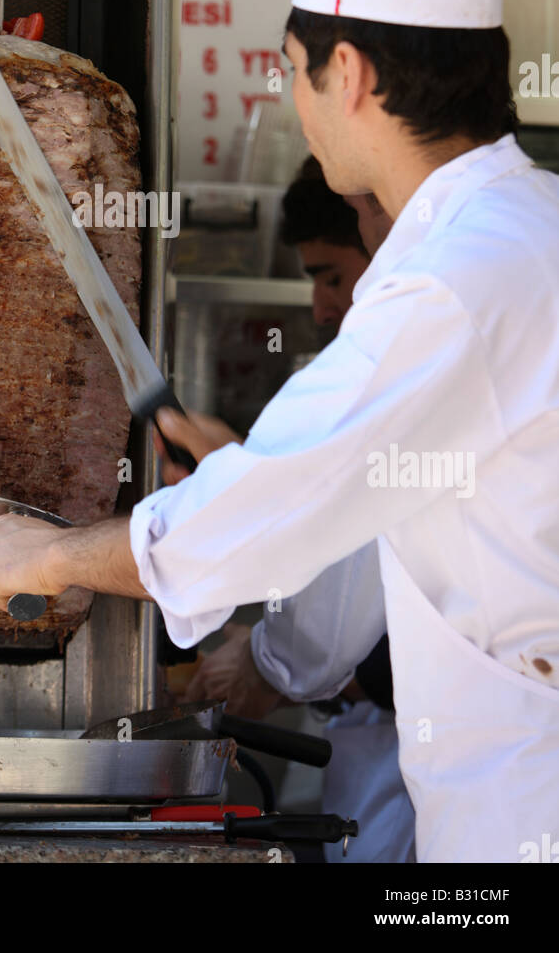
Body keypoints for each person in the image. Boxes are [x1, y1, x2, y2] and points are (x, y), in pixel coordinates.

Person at [0, 0, 559, 864]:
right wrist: (250, 485)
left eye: (293, 67)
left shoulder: (451, 279)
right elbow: (359, 492)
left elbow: (272, 513)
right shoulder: (525, 224)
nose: (293, 100)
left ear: (352, 74)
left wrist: (48, 556)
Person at [185, 158, 415, 863]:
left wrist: (267, 666)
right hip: (383, 749)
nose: (319, 306)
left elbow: (327, 630)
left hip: (437, 757)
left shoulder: (400, 363)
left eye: (332, 275)